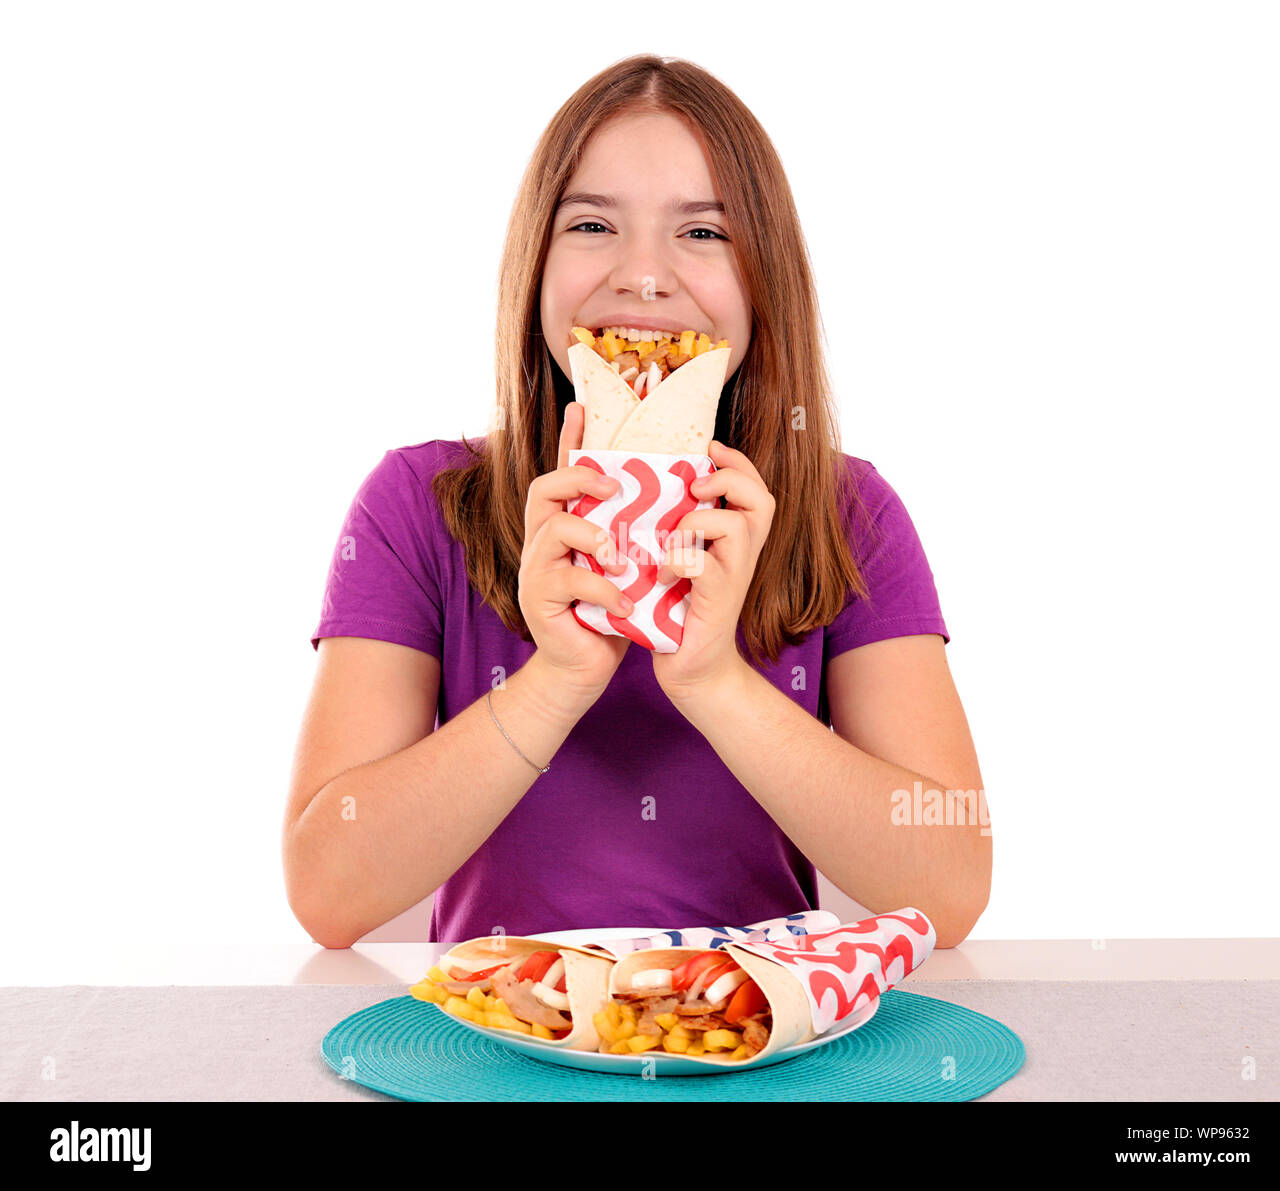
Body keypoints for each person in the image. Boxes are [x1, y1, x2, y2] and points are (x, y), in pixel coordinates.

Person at [282, 55, 990, 951]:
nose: (645, 276)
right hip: (497, 1055)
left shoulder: (849, 515)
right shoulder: (417, 508)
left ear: (765, 278)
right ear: (534, 264)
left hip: (752, 1049)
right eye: (591, 224)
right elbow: (327, 892)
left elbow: (952, 888)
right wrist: (557, 680)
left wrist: (715, 680)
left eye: (702, 233)